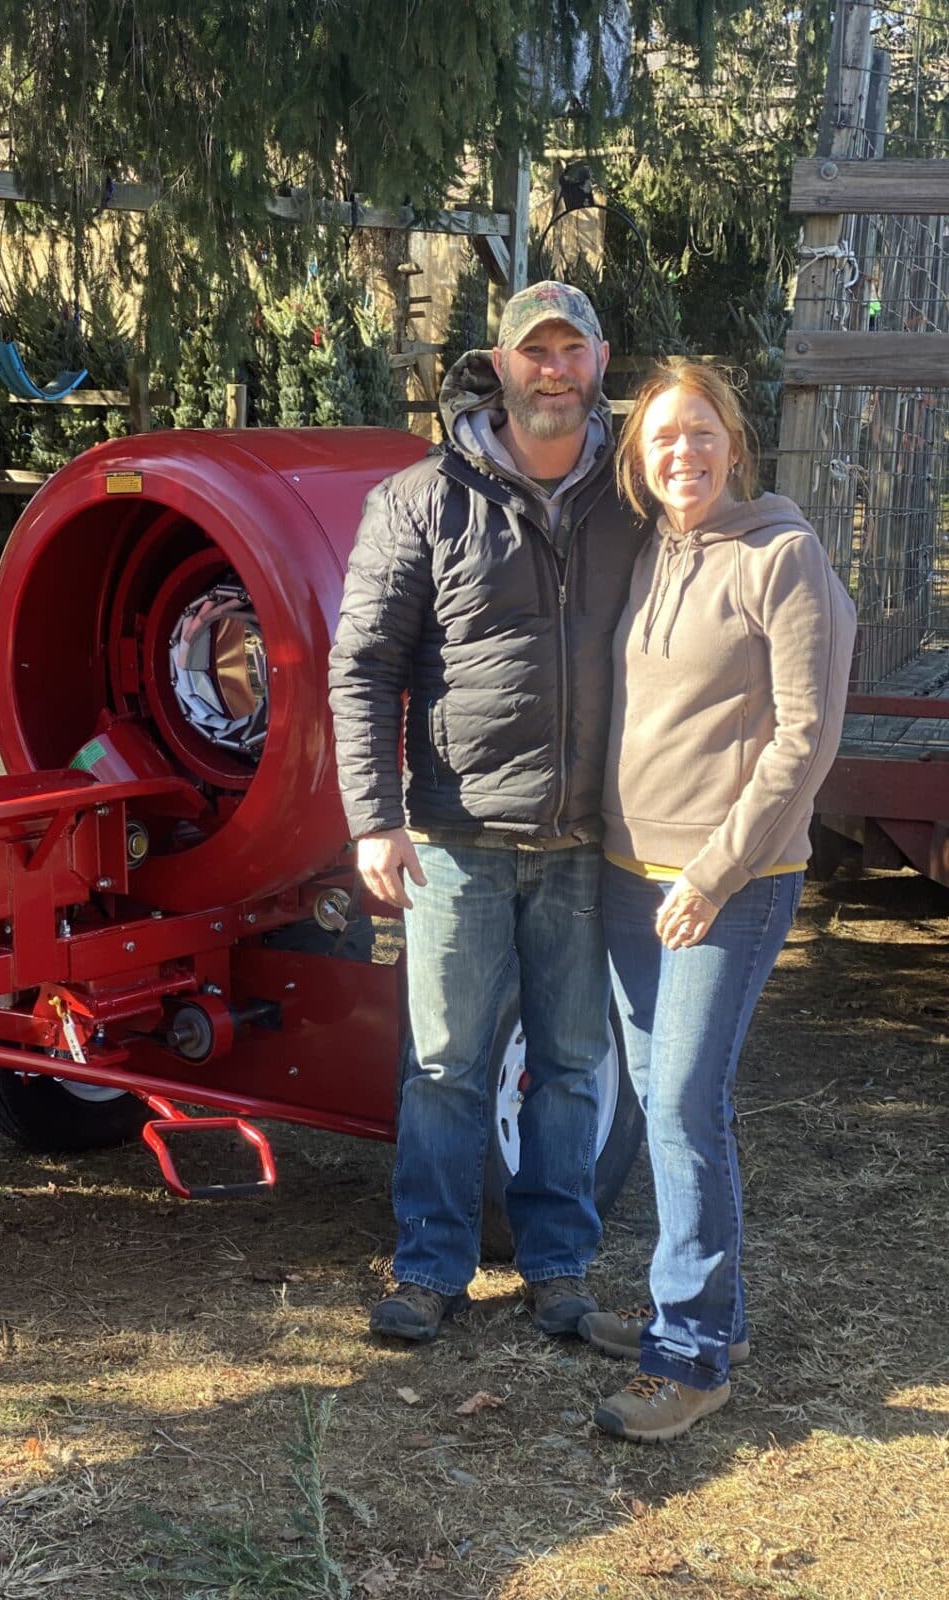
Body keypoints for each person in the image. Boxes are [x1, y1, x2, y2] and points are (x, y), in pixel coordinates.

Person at [328, 281, 643, 1343]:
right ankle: (429, 1269)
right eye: (534, 352)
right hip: (458, 832)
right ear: (499, 367)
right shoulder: (421, 499)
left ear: (602, 360)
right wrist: (375, 816)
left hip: (593, 836)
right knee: (445, 1066)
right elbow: (363, 664)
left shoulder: (635, 494)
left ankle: (559, 1268)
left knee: (567, 1064)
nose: (553, 369)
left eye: (572, 350)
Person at [579, 362, 855, 1441]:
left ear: (733, 442)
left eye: (698, 433)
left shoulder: (784, 556)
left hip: (724, 885)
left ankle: (689, 1354)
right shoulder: (654, 551)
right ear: (640, 463)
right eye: (659, 440)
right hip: (625, 873)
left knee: (686, 1102)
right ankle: (710, 1314)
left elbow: (804, 737)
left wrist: (713, 873)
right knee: (660, 1100)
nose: (680, 453)